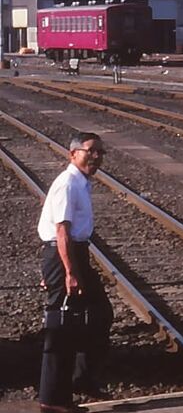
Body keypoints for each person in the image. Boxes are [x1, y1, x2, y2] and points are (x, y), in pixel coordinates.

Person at [38, 132, 113, 413]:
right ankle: (53, 399)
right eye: (90, 151)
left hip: (72, 254)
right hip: (65, 255)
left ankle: (81, 380)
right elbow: (61, 231)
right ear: (73, 153)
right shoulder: (68, 184)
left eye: (100, 153)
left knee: (98, 315)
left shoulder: (81, 183)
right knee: (62, 325)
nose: (96, 157)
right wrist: (66, 272)